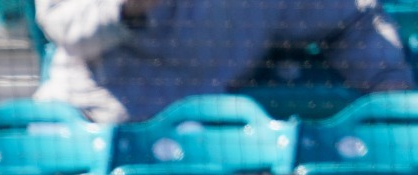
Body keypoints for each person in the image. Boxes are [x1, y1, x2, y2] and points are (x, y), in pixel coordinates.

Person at [36, 0, 413, 124]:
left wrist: (393, 93)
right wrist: (129, 6)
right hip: (90, 122)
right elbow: (60, 20)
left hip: (208, 139)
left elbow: (352, 15)